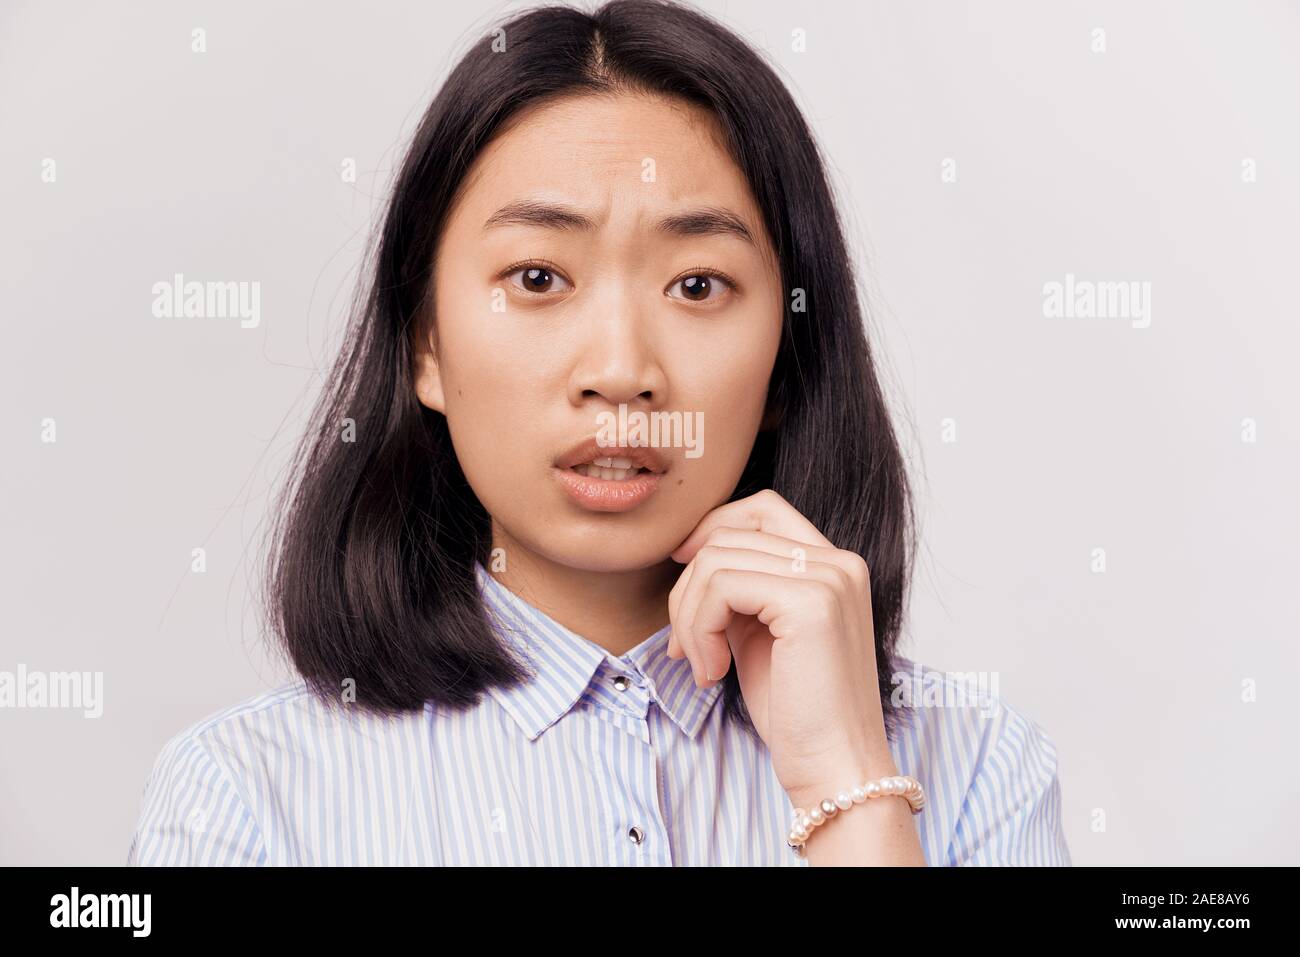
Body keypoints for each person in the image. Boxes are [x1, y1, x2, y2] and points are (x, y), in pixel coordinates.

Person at [128, 0, 1070, 866]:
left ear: (786, 354)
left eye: (698, 285)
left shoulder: (978, 765)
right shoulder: (247, 800)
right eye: (538, 278)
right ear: (427, 346)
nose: (621, 370)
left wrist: (851, 794)